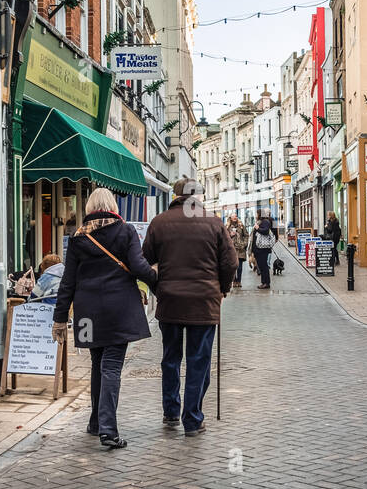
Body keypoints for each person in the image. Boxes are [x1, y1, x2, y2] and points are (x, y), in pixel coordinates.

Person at [53, 189, 157, 450]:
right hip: (118, 309)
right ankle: (108, 430)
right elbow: (138, 267)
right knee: (111, 367)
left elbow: (68, 282)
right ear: (112, 205)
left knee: (98, 364)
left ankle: (96, 422)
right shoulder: (126, 231)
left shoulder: (78, 237)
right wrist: (158, 278)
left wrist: (59, 318)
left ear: (89, 207)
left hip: (88, 312)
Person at [142, 178, 237, 437]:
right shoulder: (214, 223)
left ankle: (171, 411)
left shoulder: (159, 223)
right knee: (199, 360)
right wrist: (223, 289)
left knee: (171, 358)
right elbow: (230, 263)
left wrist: (157, 287)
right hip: (204, 304)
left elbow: (144, 261)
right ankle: (192, 419)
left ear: (175, 195)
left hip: (170, 301)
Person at [249, 210, 275, 289]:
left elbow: (266, 231)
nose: (256, 215)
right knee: (261, 266)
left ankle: (266, 283)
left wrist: (258, 228)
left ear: (259, 214)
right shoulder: (260, 222)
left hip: (263, 248)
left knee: (264, 266)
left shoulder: (265, 222)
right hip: (258, 248)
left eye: (257, 213)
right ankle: (264, 282)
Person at [225, 214, 249, 287]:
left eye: (236, 216)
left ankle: (239, 281)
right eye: (233, 216)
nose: (235, 217)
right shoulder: (227, 226)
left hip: (240, 249)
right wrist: (230, 235)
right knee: (232, 266)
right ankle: (234, 280)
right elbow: (223, 237)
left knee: (240, 267)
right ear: (230, 218)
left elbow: (246, 235)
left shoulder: (241, 225)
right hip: (231, 249)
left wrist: (244, 244)